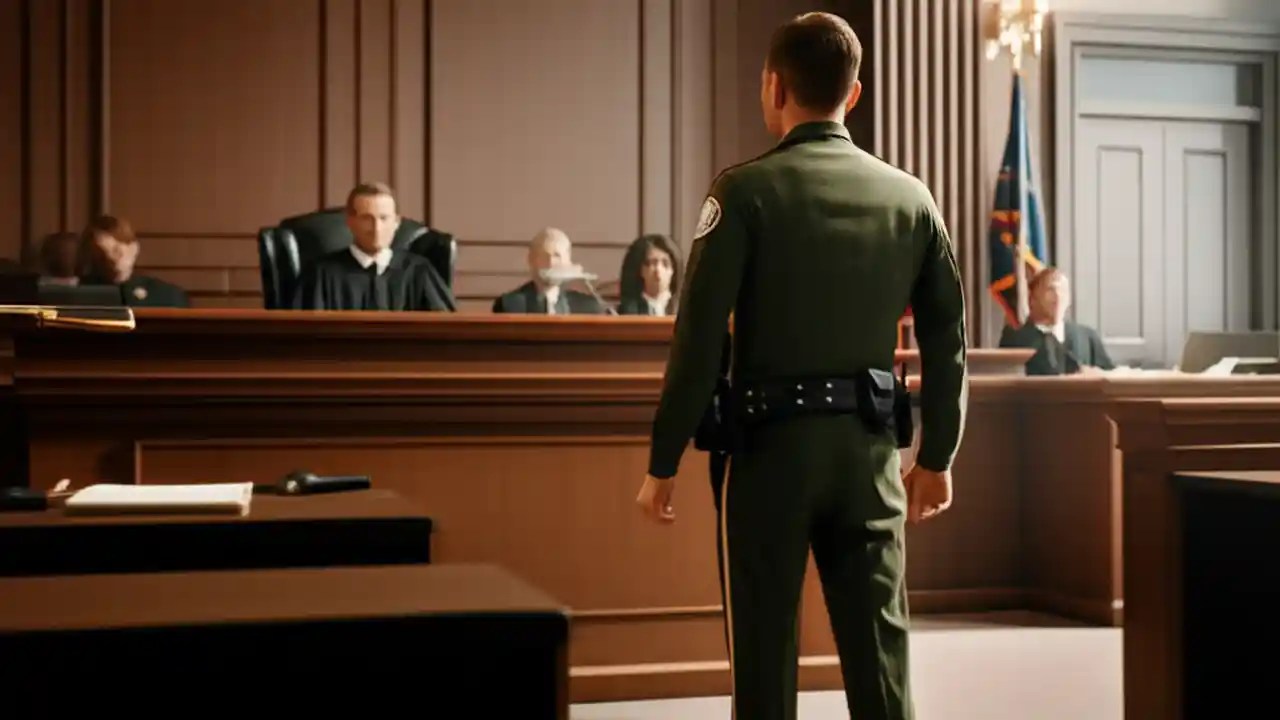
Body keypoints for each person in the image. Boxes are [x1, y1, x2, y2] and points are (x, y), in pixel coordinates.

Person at [635, 12, 967, 720]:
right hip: (870, 456)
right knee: (882, 661)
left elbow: (697, 343)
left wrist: (663, 459)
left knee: (763, 657)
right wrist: (936, 455)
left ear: (773, 85)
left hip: (768, 457)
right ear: (855, 93)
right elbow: (948, 340)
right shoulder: (911, 198)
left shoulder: (743, 192)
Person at [294, 182, 455, 312]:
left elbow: (446, 333)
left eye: (384, 218)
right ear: (350, 222)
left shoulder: (419, 270)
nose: (377, 228)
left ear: (397, 223)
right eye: (366, 218)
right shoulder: (320, 273)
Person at [999, 267, 1113, 375]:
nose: (1058, 296)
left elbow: (1110, 379)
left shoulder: (1087, 337)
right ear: (1032, 299)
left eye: (1063, 291)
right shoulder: (1015, 338)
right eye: (1051, 290)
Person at [80, 215, 190, 307]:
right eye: (101, 253)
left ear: (134, 248)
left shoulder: (168, 295)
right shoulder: (80, 294)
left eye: (116, 250)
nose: (110, 258)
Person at [491, 228, 606, 314]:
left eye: (557, 256)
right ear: (531, 259)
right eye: (544, 255)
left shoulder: (588, 306)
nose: (551, 262)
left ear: (568, 260)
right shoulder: (510, 305)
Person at [616, 233, 681, 316]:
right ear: (640, 269)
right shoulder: (627, 311)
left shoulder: (687, 309)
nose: (658, 270)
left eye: (665, 264)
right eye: (652, 263)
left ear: (673, 270)